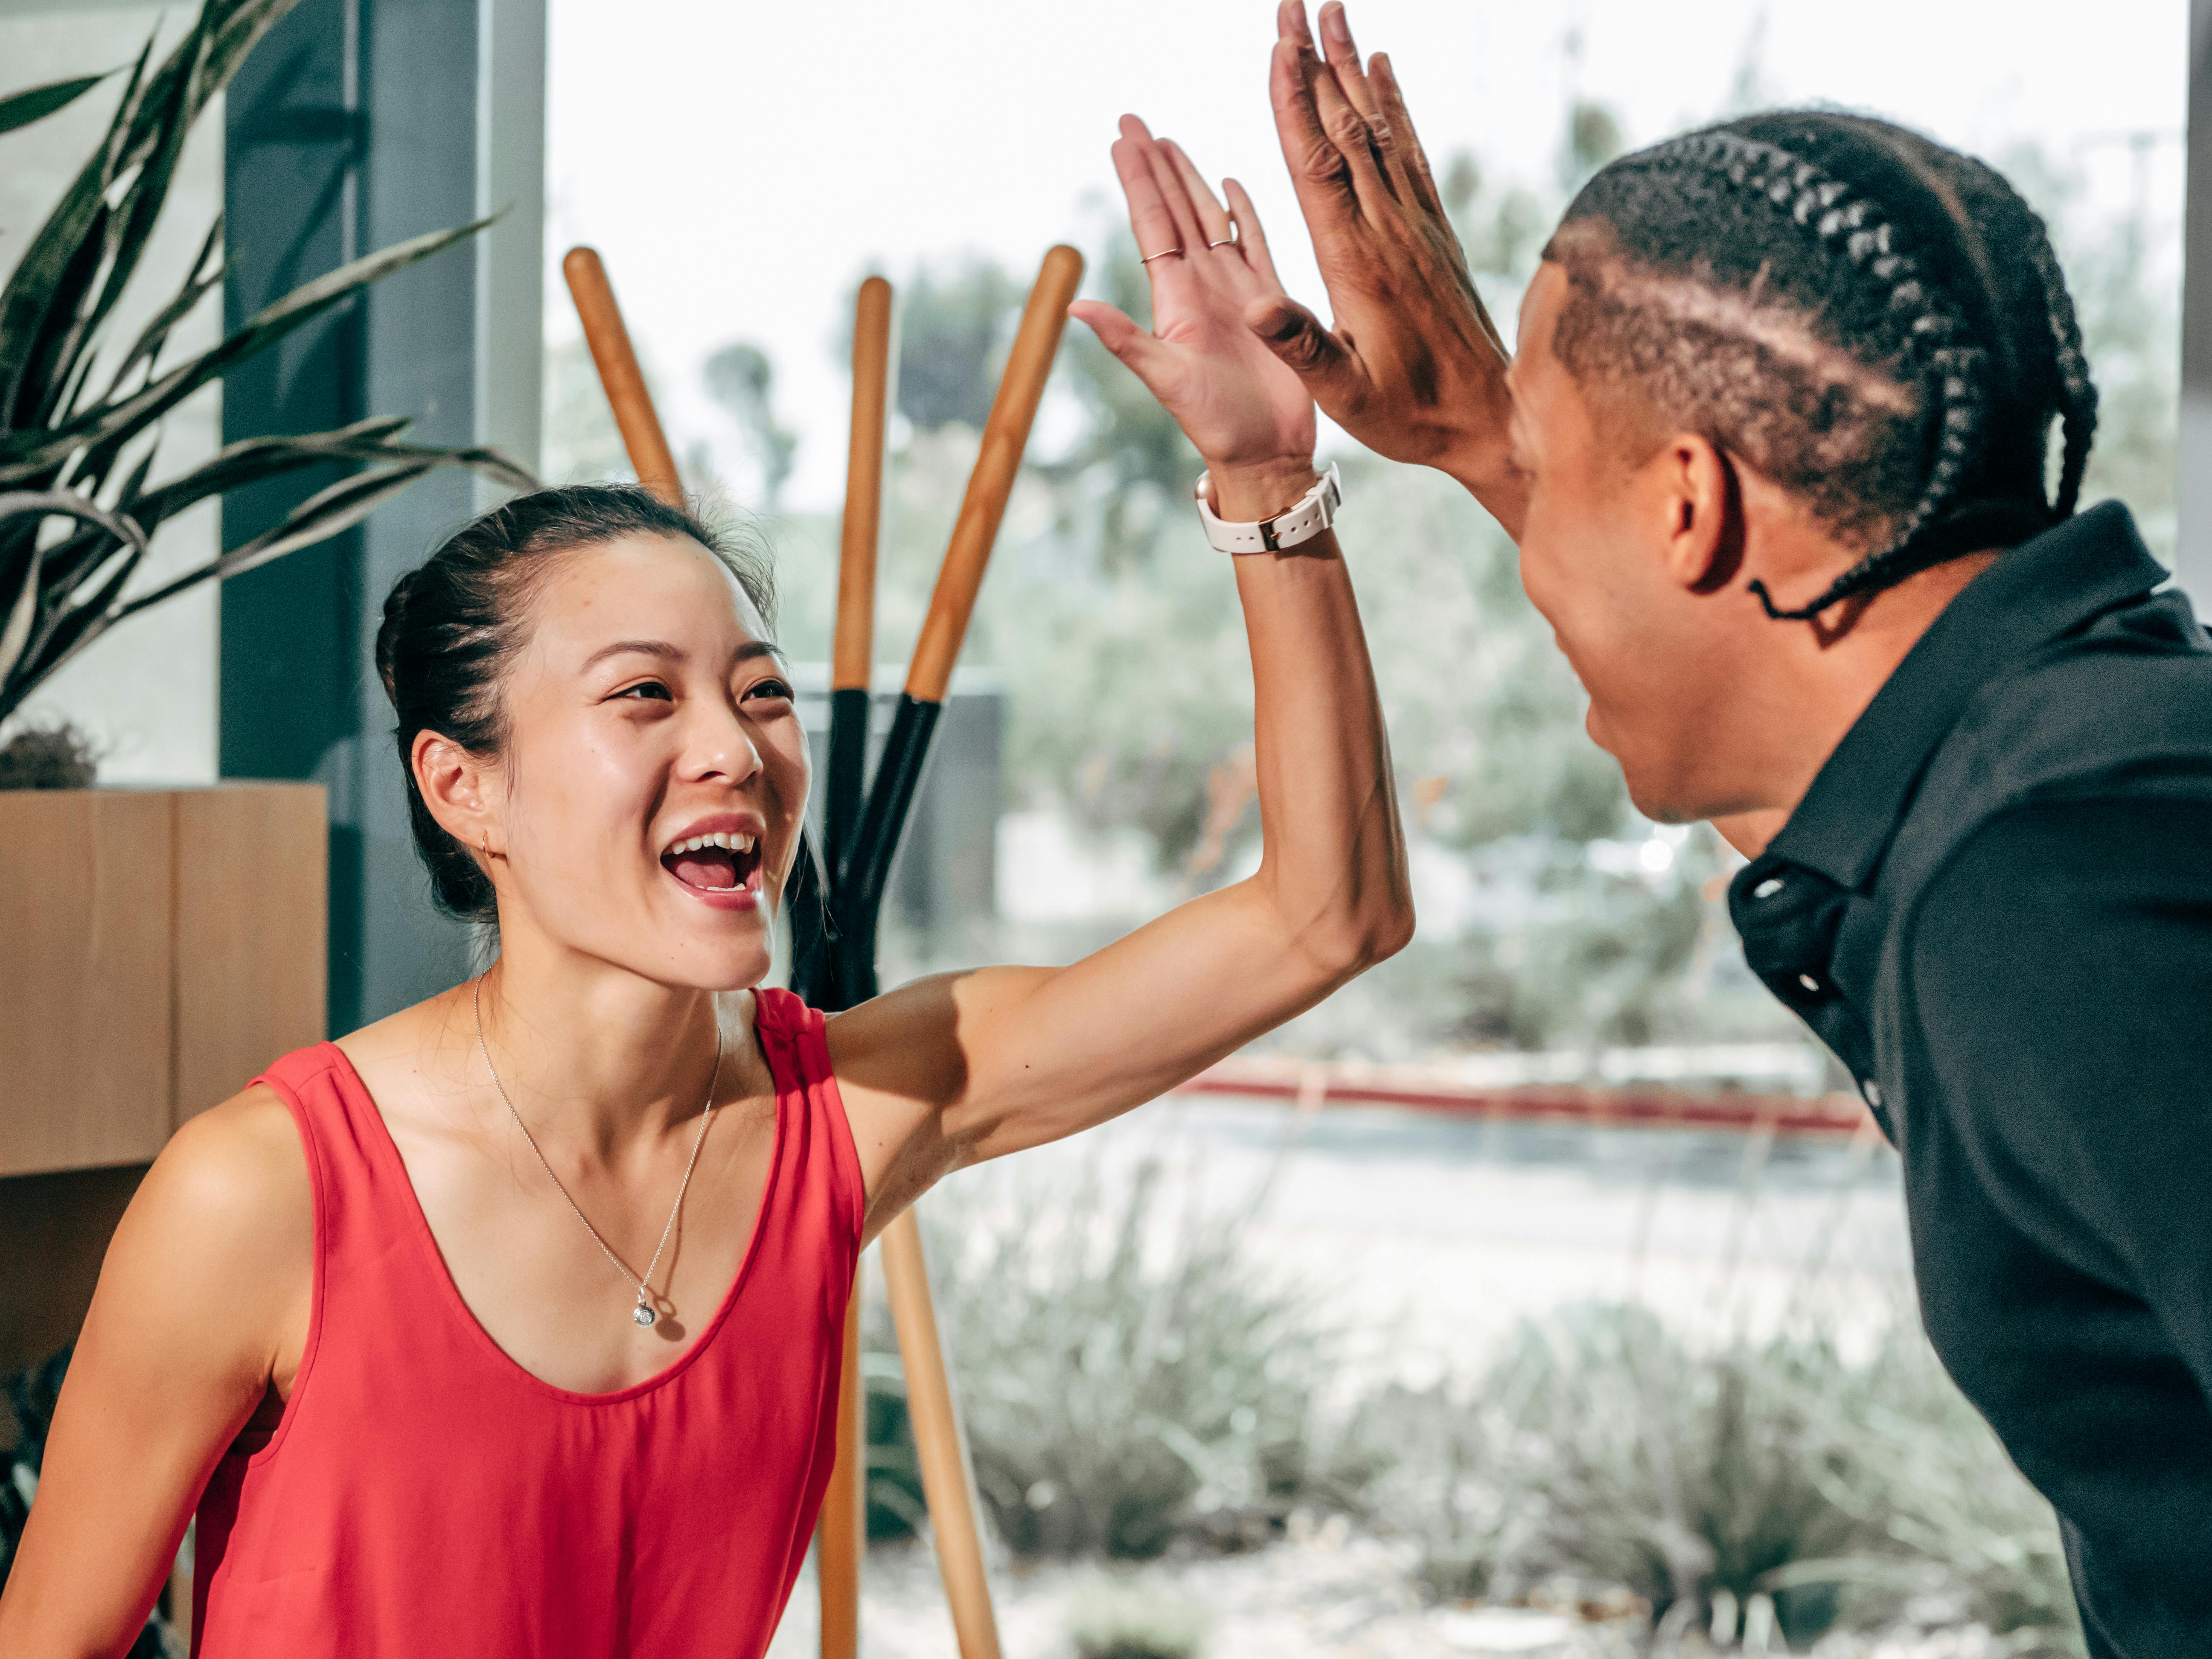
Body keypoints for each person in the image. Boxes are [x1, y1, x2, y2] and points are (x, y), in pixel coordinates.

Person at [0, 125, 1411, 1658]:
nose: (734, 747)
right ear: (463, 785)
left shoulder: (851, 1117)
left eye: (757, 691)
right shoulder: (261, 1193)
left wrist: (1270, 484)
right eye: (642, 698)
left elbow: (1327, 916)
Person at [1243, 4, 2212, 1651]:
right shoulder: (2069, 762)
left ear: (1690, 507)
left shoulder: (2056, 883)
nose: (1532, 540)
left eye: (1550, 480)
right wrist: (1503, 435)